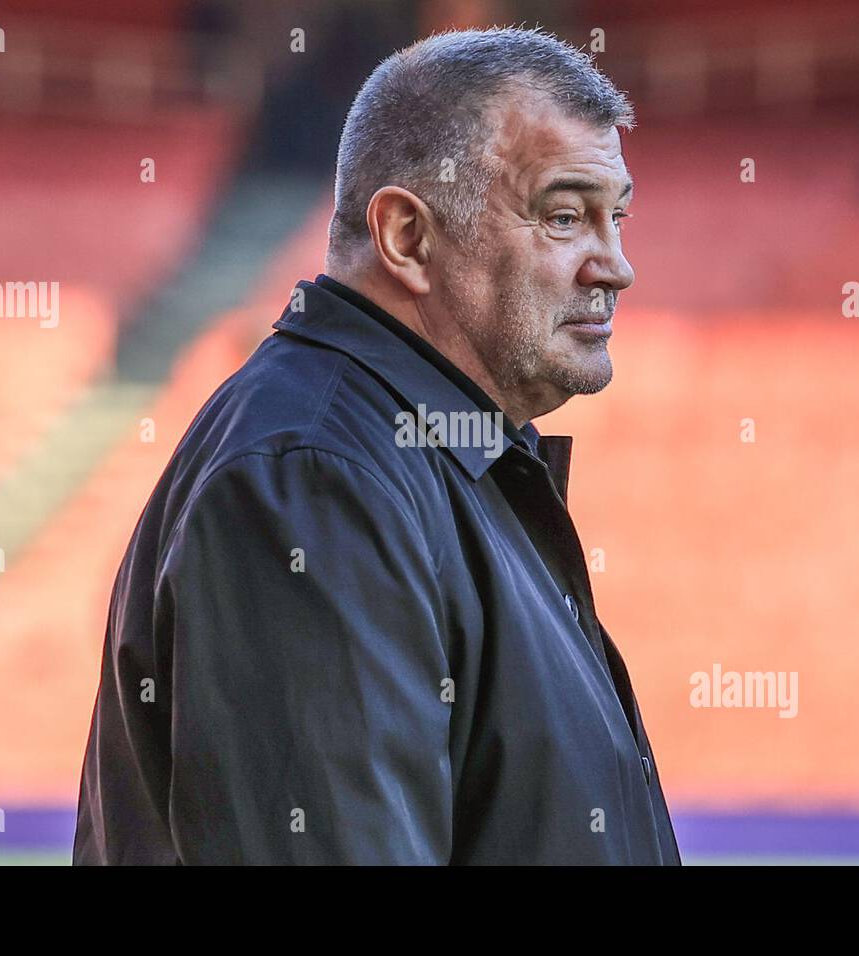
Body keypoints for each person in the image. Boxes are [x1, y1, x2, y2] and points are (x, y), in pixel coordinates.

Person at [74, 26, 681, 865]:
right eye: (566, 217)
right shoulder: (314, 479)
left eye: (617, 219)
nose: (615, 267)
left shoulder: (433, 458)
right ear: (405, 236)